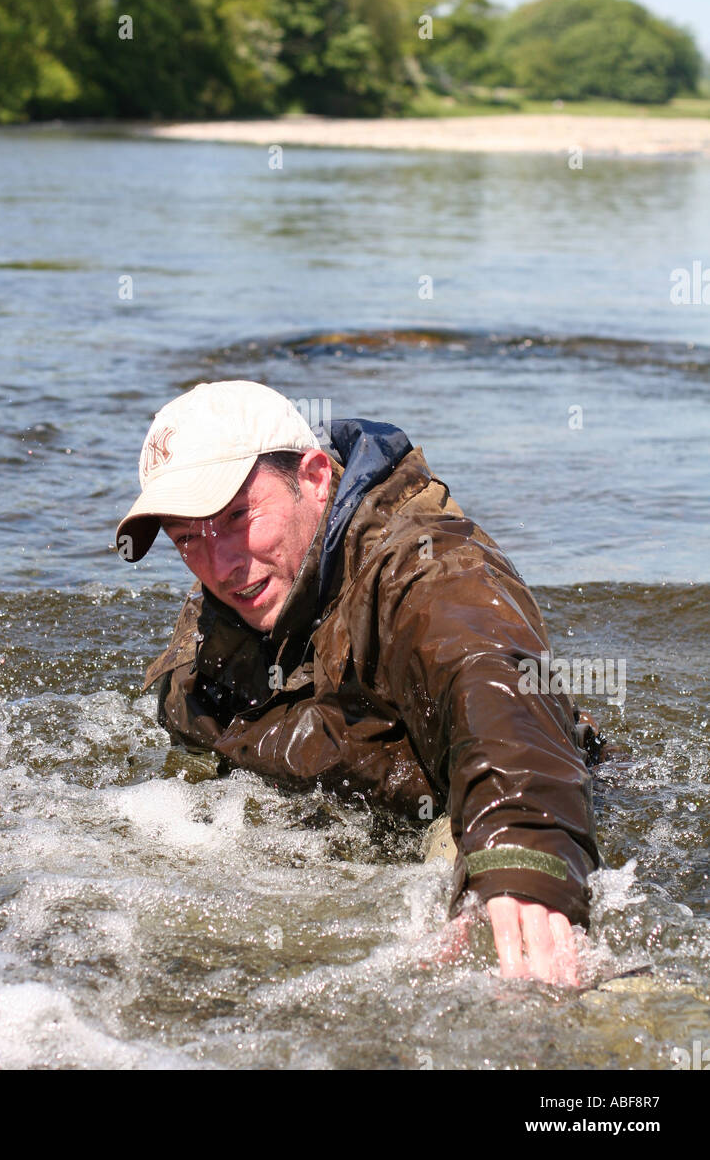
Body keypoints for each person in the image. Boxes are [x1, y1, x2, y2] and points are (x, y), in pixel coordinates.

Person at [116, 380, 605, 985]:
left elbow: (486, 672)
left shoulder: (428, 568)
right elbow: (183, 702)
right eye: (188, 538)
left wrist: (523, 848)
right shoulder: (230, 607)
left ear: (316, 477)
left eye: (238, 517)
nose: (219, 567)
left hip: (501, 808)